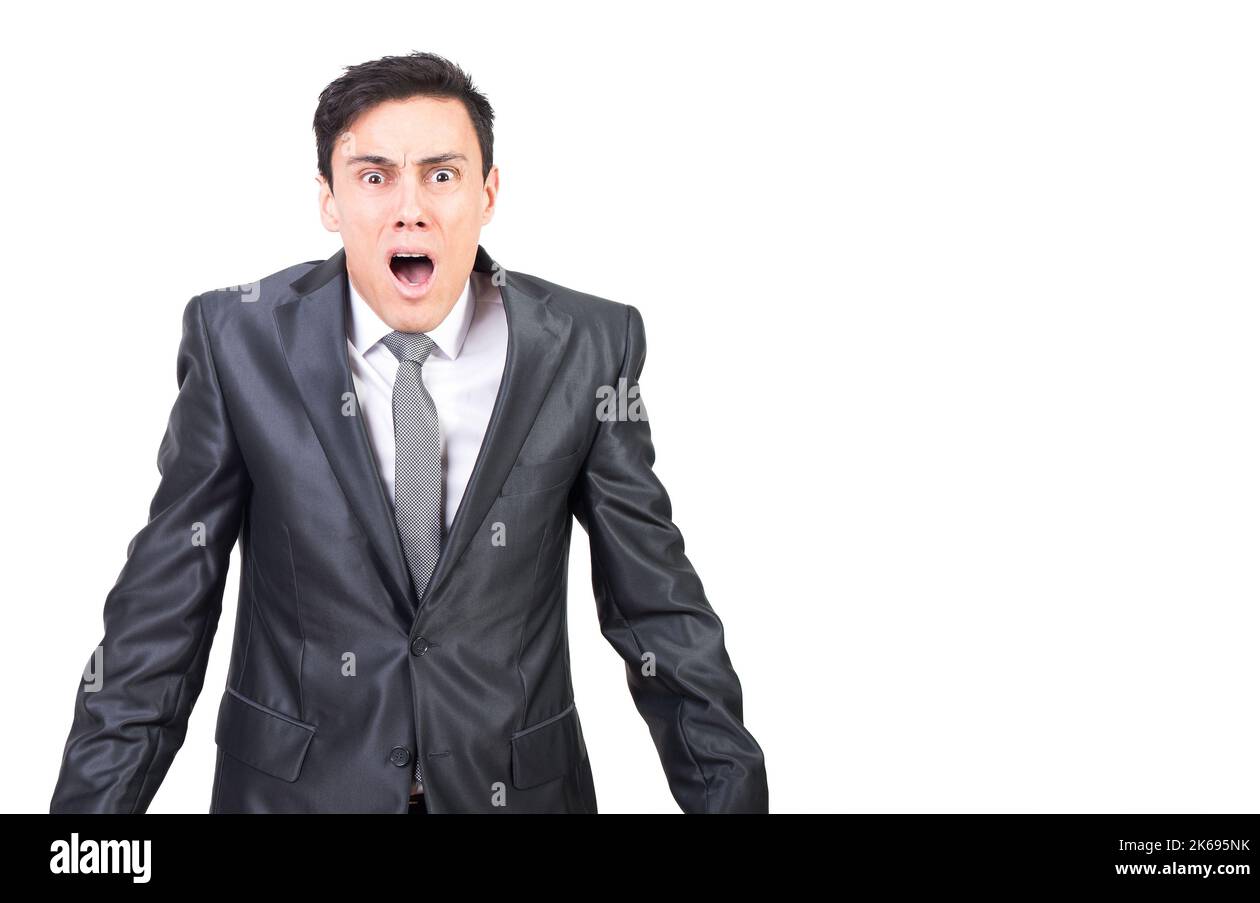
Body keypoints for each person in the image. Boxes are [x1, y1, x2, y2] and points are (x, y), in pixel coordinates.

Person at [50, 51, 767, 814]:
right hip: (295, 796)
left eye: (442, 174)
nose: (410, 208)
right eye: (373, 176)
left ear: (488, 192)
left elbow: (656, 605)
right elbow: (162, 611)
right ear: (328, 198)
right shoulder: (239, 341)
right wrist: (85, 838)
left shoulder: (588, 346)